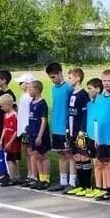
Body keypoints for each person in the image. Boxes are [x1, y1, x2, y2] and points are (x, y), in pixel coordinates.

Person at [90, 70, 110, 201]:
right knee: (102, 162)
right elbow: (96, 119)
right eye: (104, 81)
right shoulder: (99, 98)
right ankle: (105, 188)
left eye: (109, 80)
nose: (107, 83)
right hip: (100, 137)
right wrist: (96, 137)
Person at [65, 74, 96, 195]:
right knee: (77, 157)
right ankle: (81, 185)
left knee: (84, 157)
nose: (68, 80)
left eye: (70, 77)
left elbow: (85, 115)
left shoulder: (83, 95)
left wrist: (82, 131)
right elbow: (70, 114)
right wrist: (68, 129)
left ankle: (87, 186)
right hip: (72, 132)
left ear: (78, 78)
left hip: (80, 132)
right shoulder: (71, 94)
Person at [46, 63, 74, 192]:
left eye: (53, 77)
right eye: (50, 78)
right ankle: (63, 181)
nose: (52, 80)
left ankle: (72, 181)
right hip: (56, 126)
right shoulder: (53, 89)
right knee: (61, 154)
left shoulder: (68, 88)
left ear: (60, 73)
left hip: (65, 126)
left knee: (69, 154)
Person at [0, 92, 22, 186]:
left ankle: (13, 177)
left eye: (2, 106)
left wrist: (10, 142)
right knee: (10, 159)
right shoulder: (5, 115)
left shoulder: (14, 115)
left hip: (13, 142)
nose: (1, 108)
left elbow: (16, 131)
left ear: (8, 105)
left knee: (11, 159)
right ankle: (15, 176)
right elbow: (5, 128)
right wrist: (1, 139)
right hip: (6, 140)